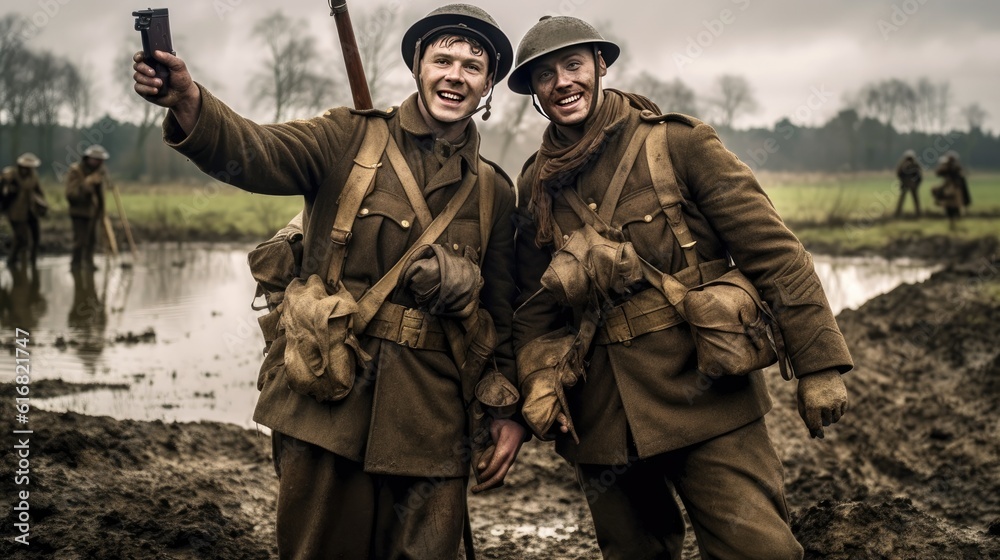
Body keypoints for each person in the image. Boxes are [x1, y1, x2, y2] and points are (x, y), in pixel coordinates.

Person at [133, 4, 526, 558]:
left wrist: (508, 414)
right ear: (419, 66)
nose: (455, 75)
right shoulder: (349, 136)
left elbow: (504, 312)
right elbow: (256, 153)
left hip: (436, 421)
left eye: (472, 65)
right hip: (326, 401)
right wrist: (190, 102)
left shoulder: (494, 191)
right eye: (443, 59)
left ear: (488, 85)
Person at [508, 16, 853, 559]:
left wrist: (819, 364)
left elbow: (775, 254)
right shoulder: (536, 182)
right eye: (545, 75)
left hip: (708, 394)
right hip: (603, 416)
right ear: (533, 91)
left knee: (761, 552)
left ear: (600, 66)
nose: (562, 83)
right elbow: (533, 307)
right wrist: (534, 381)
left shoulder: (678, 143)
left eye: (574, 65)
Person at [65, 145, 110, 270]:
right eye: (96, 159)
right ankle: (76, 265)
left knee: (91, 240)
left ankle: (89, 263)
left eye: (100, 160)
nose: (99, 163)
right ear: (87, 158)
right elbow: (71, 195)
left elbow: (100, 194)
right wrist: (87, 183)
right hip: (79, 212)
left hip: (93, 211)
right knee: (80, 241)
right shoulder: (76, 171)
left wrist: (101, 211)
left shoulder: (99, 172)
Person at [1, 152, 48, 268]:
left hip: (31, 210)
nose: (27, 169)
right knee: (21, 238)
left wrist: (43, 204)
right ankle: (12, 260)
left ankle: (32, 261)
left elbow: (39, 191)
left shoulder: (34, 176)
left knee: (36, 237)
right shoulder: (10, 175)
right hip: (15, 211)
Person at [932, 151, 971, 231]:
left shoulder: (956, 169)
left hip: (954, 189)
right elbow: (938, 173)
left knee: (954, 207)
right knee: (949, 207)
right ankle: (953, 224)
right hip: (949, 188)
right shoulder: (950, 168)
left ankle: (955, 224)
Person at [894, 149, 922, 218]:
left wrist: (914, 183)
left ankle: (917, 213)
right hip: (908, 184)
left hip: (910, 184)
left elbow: (918, 176)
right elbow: (899, 174)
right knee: (908, 199)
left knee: (909, 199)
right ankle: (917, 213)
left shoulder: (912, 165)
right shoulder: (913, 165)